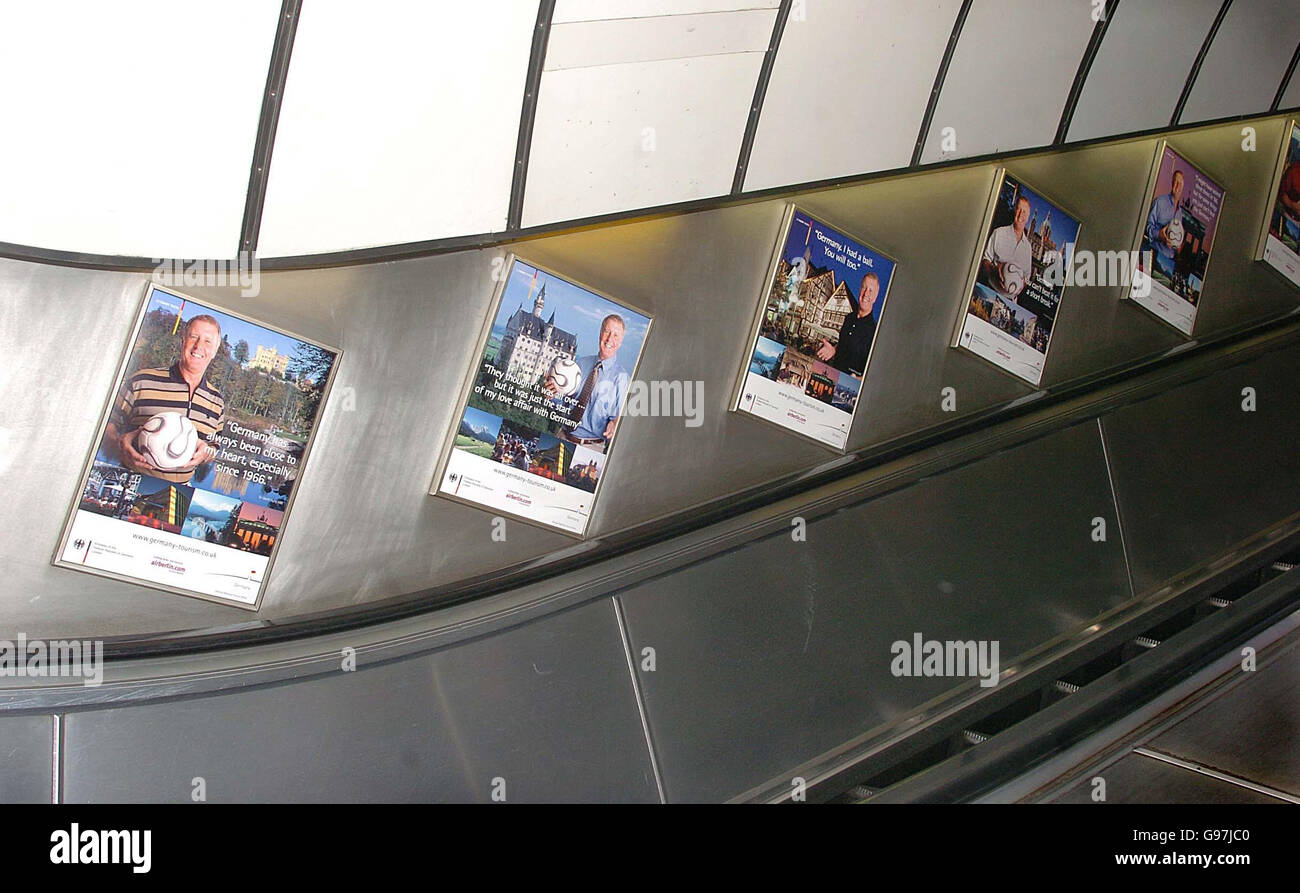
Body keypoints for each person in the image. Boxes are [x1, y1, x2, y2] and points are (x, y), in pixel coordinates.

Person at [104, 314, 225, 485]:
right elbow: (106, 427)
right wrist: (119, 446)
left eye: (207, 341)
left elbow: (214, 448)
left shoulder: (217, 402)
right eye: (194, 337)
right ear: (183, 340)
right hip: (131, 484)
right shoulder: (141, 381)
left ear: (214, 351)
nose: (198, 346)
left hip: (179, 491)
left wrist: (205, 455)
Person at [545, 314, 630, 454]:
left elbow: (618, 419)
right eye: (607, 331)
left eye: (616, 335)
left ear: (621, 341)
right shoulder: (581, 364)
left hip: (591, 448)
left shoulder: (622, 378)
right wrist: (551, 395)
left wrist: (615, 424)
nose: (609, 339)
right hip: (562, 436)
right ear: (600, 333)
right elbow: (564, 403)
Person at [817, 272, 880, 376]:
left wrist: (858, 379)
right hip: (832, 374)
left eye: (870, 290)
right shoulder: (848, 318)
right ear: (860, 290)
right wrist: (833, 350)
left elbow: (873, 373)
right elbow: (843, 345)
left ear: (875, 297)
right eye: (864, 288)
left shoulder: (874, 332)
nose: (866, 294)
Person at [980, 194, 1034, 302]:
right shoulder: (999, 233)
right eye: (1019, 209)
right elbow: (985, 260)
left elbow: (1027, 277)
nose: (1020, 215)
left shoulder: (1028, 248)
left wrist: (1020, 287)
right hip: (989, 291)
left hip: (1010, 301)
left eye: (1024, 212)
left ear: (1028, 217)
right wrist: (993, 270)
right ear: (1015, 211)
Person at [1145, 168, 1185, 277]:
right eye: (1175, 182)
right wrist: (1159, 235)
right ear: (1172, 183)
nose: (1177, 186)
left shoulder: (1180, 213)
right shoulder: (1160, 202)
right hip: (1152, 254)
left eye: (1180, 183)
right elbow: (1146, 227)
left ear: (1183, 187)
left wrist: (1179, 245)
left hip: (1169, 262)